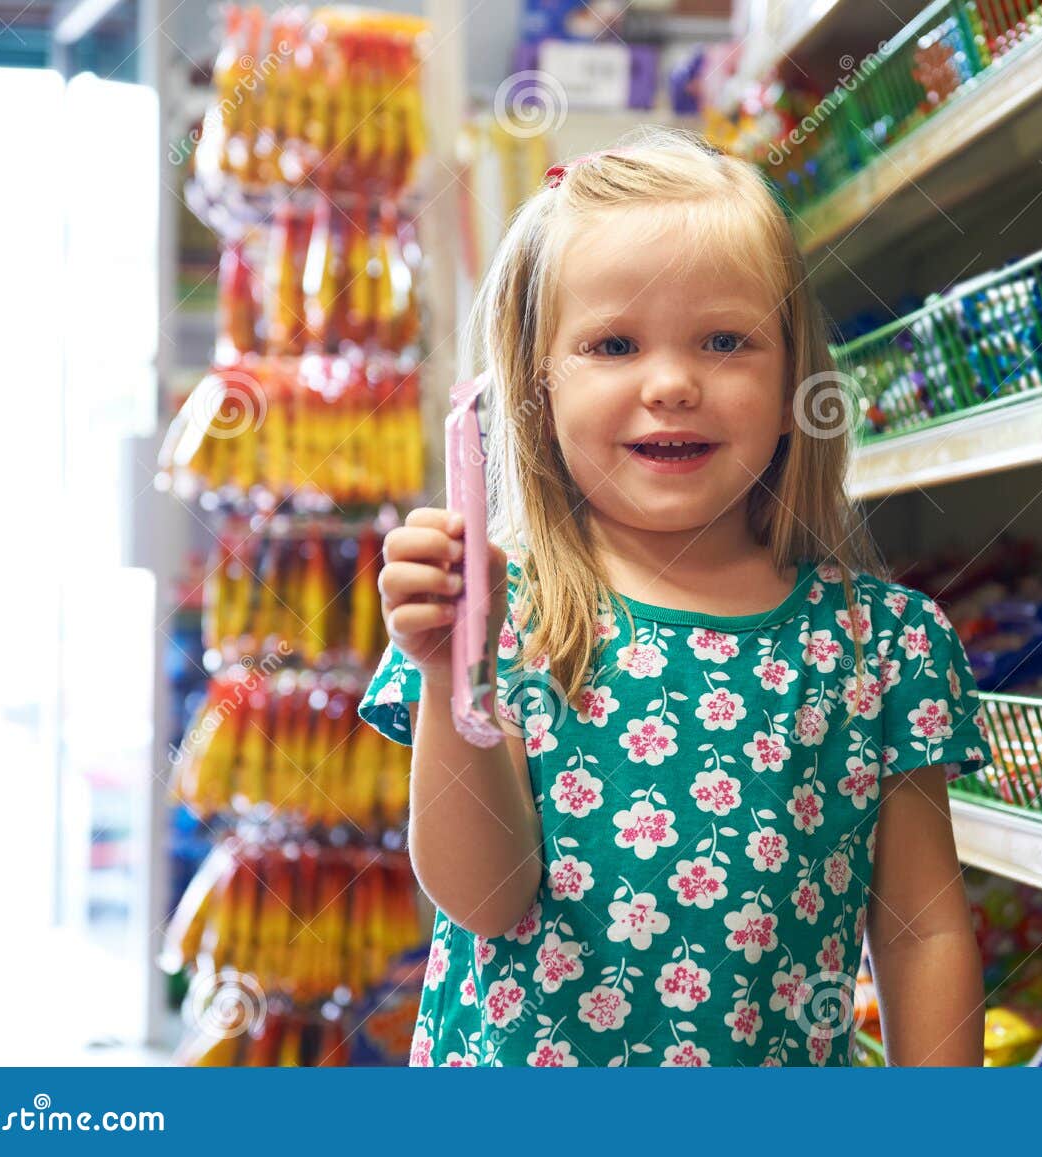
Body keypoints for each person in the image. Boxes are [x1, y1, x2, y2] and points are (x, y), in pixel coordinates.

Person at [358, 128, 989, 1067]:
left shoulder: (880, 646)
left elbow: (920, 935)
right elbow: (482, 898)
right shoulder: (505, 617)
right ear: (538, 384)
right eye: (614, 343)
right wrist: (460, 680)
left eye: (726, 341)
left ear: (791, 385)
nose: (672, 384)